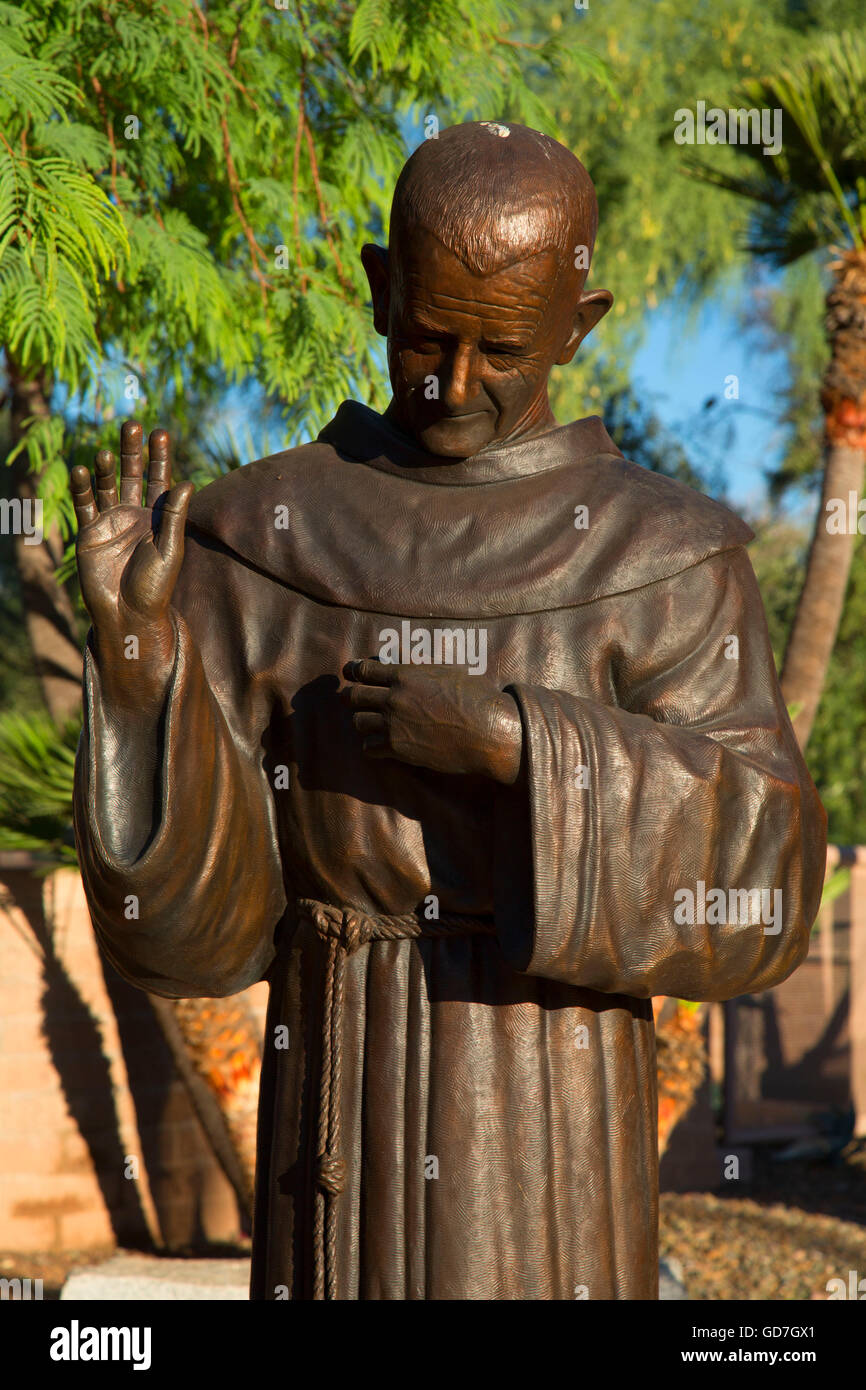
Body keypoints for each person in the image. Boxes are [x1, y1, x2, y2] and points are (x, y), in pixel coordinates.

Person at [71, 121, 827, 1300]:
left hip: (555, 1108)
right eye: (426, 334)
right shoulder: (258, 538)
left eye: (501, 349)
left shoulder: (663, 555)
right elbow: (191, 940)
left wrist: (524, 748)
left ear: (580, 328)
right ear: (378, 289)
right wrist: (137, 668)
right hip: (331, 1096)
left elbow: (766, 883)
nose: (453, 383)